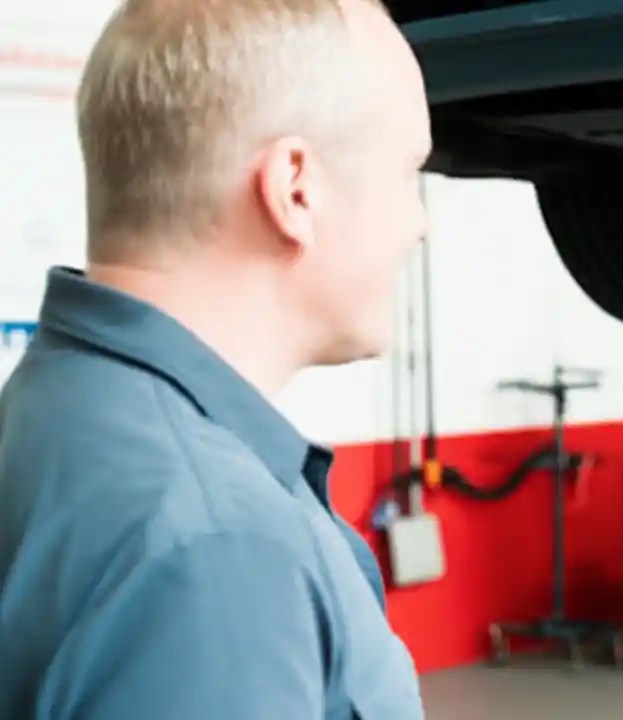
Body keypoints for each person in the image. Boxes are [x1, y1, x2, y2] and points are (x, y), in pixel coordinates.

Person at [0, 0, 432, 717]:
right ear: (296, 188)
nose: (420, 227)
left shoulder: (54, 405)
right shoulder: (218, 549)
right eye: (408, 172)